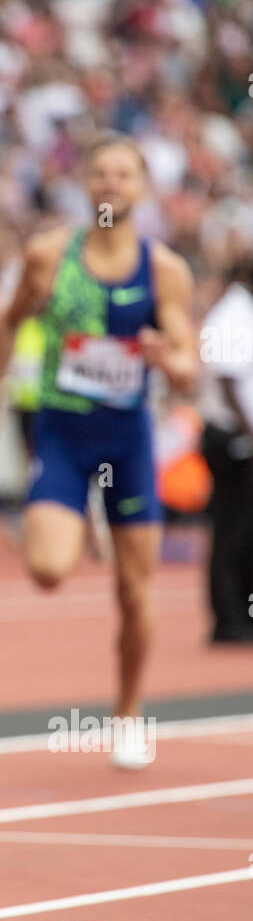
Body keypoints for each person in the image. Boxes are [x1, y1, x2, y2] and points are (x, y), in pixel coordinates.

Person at [0, 133, 197, 769]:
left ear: (143, 188)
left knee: (135, 589)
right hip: (64, 435)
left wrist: (169, 358)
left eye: (123, 175)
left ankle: (128, 715)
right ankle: (81, 519)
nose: (109, 185)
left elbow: (187, 365)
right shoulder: (50, 254)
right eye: (99, 174)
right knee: (48, 570)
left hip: (127, 441)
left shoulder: (164, 271)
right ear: (86, 185)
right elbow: (10, 319)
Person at [198, 262, 253, 644]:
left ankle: (235, 616)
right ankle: (230, 619)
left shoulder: (237, 310)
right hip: (232, 437)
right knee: (235, 528)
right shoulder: (233, 314)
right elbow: (229, 378)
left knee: (237, 527)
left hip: (235, 434)